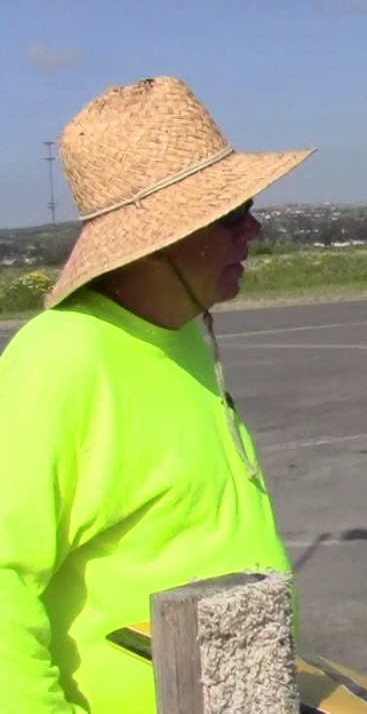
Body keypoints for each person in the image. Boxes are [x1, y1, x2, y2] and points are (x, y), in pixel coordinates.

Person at [0, 76, 314, 712]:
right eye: (228, 214)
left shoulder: (184, 336)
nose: (251, 228)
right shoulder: (61, 358)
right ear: (157, 242)